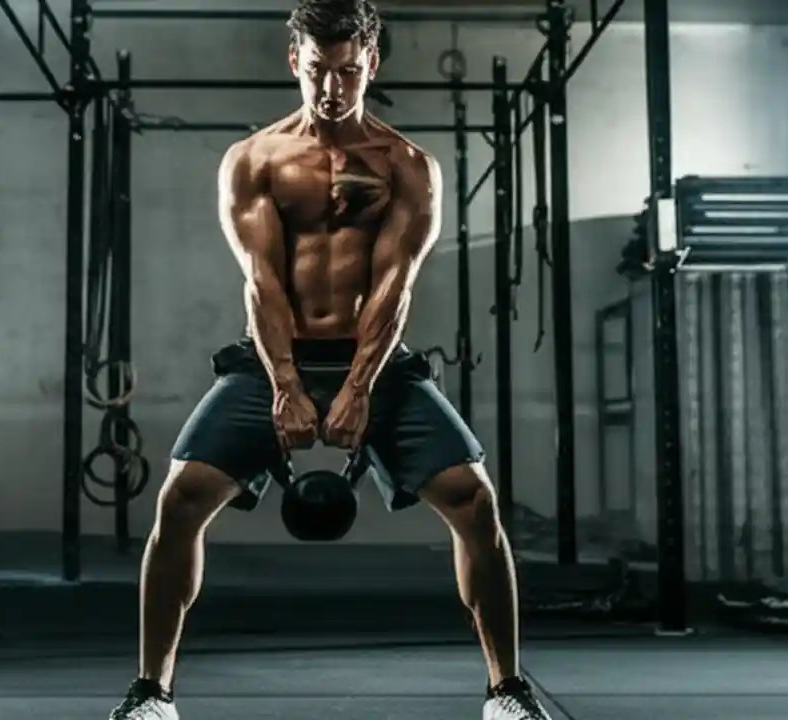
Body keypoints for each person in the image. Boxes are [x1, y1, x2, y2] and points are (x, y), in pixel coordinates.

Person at [110, 1, 553, 719]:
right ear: (295, 62)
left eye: (348, 71)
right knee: (179, 500)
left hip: (374, 356)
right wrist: (285, 384)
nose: (332, 89)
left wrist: (358, 387)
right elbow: (262, 282)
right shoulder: (254, 159)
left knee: (476, 502)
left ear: (371, 64)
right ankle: (150, 695)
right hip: (271, 356)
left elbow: (394, 285)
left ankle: (506, 692)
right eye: (318, 70)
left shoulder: (409, 166)